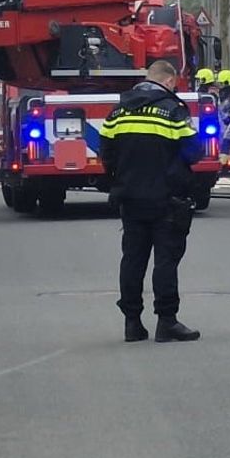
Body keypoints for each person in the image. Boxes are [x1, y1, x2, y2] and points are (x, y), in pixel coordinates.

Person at [99, 59, 201, 344]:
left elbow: (105, 150)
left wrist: (120, 180)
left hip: (130, 198)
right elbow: (194, 151)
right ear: (169, 81)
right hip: (166, 198)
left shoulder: (119, 111)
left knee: (132, 259)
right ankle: (166, 322)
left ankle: (132, 323)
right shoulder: (172, 110)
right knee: (165, 261)